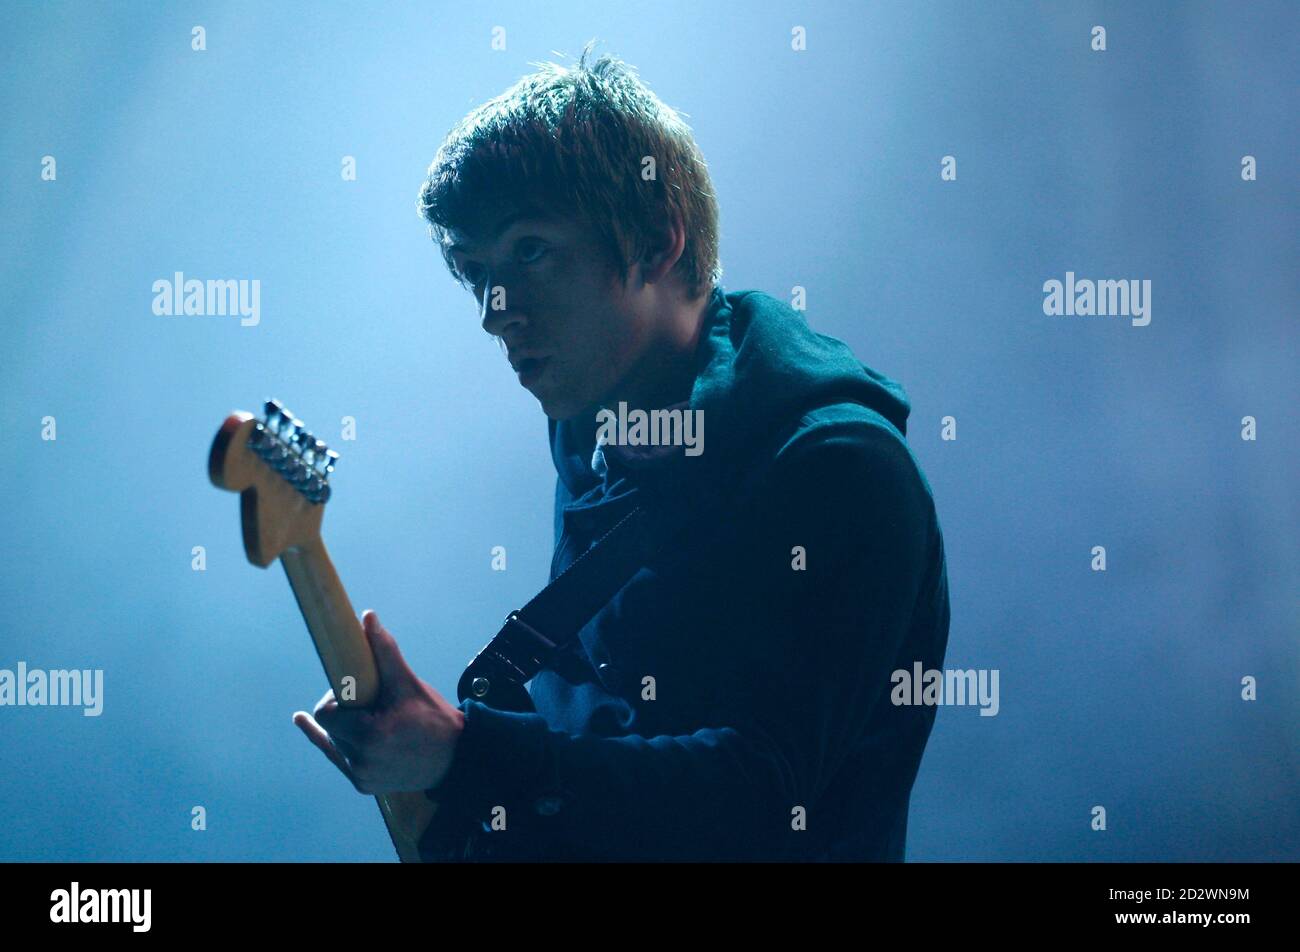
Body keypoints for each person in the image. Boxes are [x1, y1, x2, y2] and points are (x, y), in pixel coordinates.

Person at [293, 42, 951, 862]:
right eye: (475, 271)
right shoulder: (590, 419)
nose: (497, 312)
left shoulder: (840, 467)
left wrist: (469, 754)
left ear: (655, 238)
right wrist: (444, 772)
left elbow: (761, 796)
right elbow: (594, 714)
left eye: (531, 251)